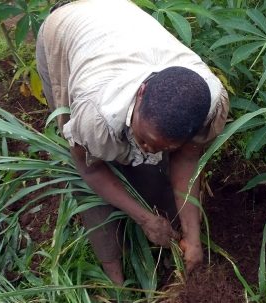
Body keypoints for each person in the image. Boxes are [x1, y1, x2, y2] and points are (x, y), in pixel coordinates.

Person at [35, 0, 229, 285]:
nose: (149, 150)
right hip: (64, 32)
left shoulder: (207, 104)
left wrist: (193, 236)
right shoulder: (94, 114)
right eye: (145, 139)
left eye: (164, 147)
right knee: (91, 168)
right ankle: (114, 276)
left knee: (151, 167)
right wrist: (144, 219)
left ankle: (166, 251)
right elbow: (90, 170)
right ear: (139, 96)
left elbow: (187, 160)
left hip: (122, 23)